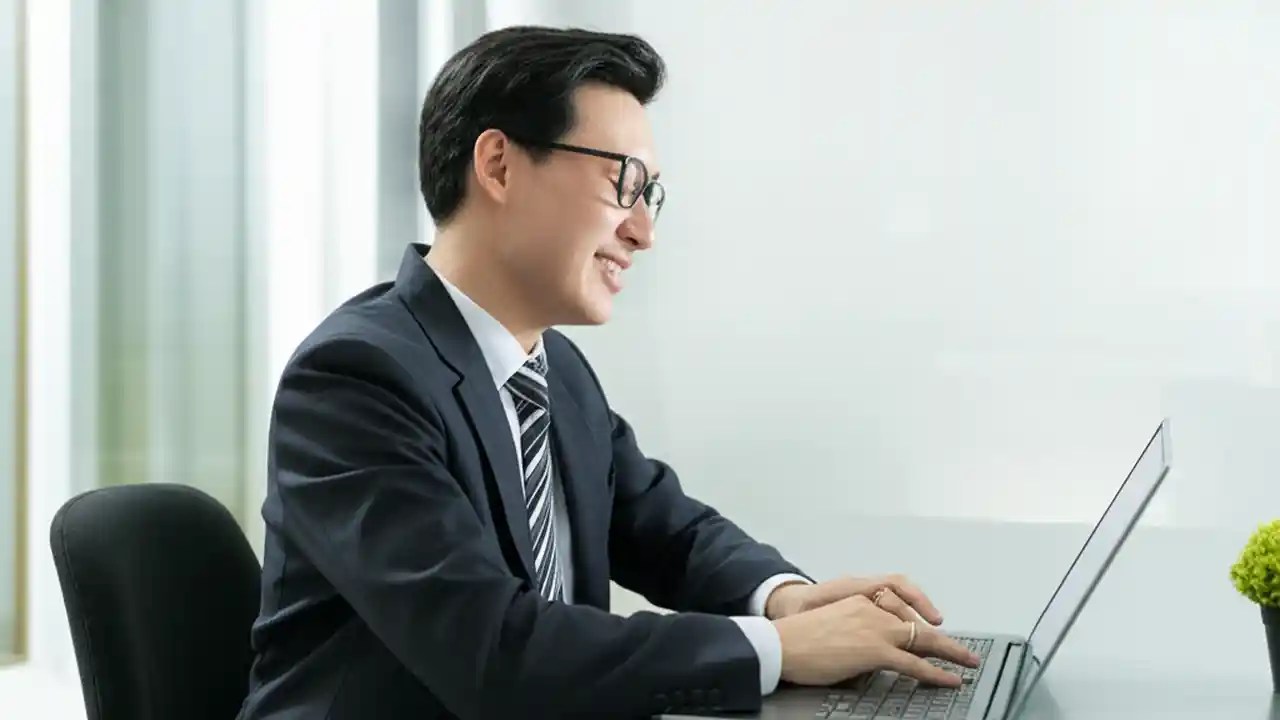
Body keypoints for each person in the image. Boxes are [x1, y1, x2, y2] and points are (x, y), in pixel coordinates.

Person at [236, 25, 979, 720]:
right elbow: (493, 649)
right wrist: (781, 652)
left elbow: (665, 529)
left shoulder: (551, 367)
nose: (643, 231)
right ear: (498, 165)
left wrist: (785, 601)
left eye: (649, 195)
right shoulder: (356, 380)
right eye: (624, 182)